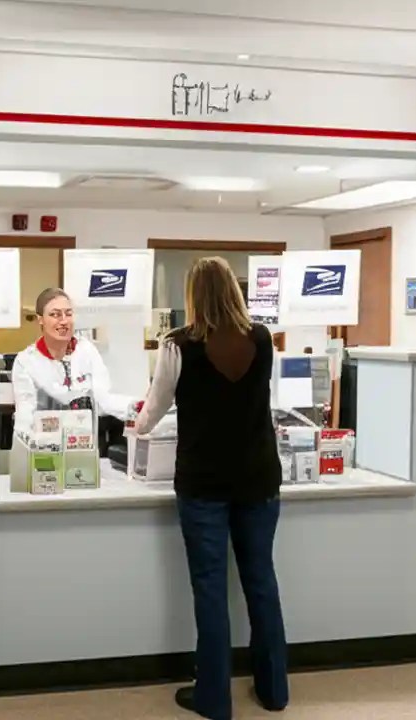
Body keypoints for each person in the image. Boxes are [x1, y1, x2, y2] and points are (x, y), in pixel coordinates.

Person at [135, 258, 288, 720]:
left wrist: (137, 427)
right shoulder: (262, 340)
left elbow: (154, 410)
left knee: (210, 589)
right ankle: (275, 691)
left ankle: (214, 699)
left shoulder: (178, 346)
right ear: (234, 291)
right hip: (259, 479)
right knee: (261, 582)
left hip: (203, 485)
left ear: (193, 297)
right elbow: (267, 401)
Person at [11, 287, 136, 436]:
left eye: (68, 314)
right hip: (44, 447)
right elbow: (25, 417)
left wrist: (134, 406)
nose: (64, 321)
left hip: (85, 443)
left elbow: (103, 400)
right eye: (55, 315)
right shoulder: (26, 361)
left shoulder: (86, 350)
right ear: (40, 319)